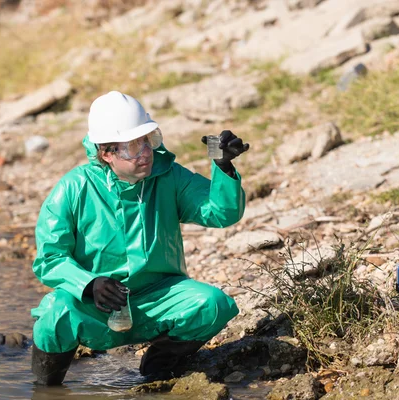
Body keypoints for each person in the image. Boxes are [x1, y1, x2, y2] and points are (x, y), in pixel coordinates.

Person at [30, 91, 249, 385]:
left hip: (160, 299)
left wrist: (223, 167)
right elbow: (49, 259)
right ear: (106, 152)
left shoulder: (169, 175)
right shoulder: (72, 188)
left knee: (212, 304)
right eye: (133, 146)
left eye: (148, 140)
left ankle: (158, 366)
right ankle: (45, 387)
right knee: (54, 316)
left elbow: (221, 213)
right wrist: (88, 284)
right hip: (96, 308)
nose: (145, 152)